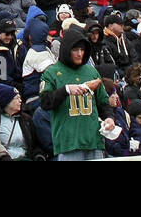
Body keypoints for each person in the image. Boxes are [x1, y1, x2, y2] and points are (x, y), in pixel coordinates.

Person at [40, 25, 112, 160]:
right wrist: (66, 90)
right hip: (69, 143)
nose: (79, 54)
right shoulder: (52, 72)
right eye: (75, 50)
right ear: (67, 50)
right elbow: (44, 102)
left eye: (82, 49)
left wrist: (109, 118)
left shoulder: (91, 71)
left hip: (94, 140)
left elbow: (103, 102)